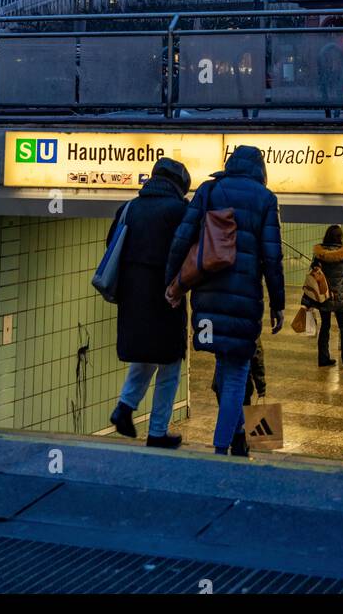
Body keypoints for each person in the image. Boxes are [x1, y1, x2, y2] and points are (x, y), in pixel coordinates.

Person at [165, 145, 284, 456]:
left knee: (224, 362)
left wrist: (172, 283)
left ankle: (239, 436)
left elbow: (183, 237)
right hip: (245, 300)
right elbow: (273, 258)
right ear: (260, 169)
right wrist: (279, 304)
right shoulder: (265, 199)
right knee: (235, 377)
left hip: (207, 297)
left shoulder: (209, 189)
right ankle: (221, 448)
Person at [109, 157, 192, 449]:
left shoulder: (129, 208)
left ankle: (124, 406)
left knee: (146, 353)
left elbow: (112, 245)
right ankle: (157, 432)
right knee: (170, 362)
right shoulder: (179, 211)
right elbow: (188, 252)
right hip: (166, 295)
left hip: (132, 296)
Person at [306, 224, 343, 369]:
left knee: (325, 326)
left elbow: (313, 274)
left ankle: (323, 358)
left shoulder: (319, 254)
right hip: (341, 297)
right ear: (340, 238)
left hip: (324, 296)